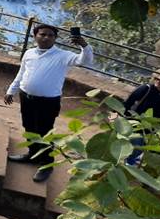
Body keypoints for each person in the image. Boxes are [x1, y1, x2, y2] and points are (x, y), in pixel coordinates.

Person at [5, 25, 94, 183]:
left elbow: (85, 61)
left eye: (50, 35)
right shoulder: (29, 53)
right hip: (26, 97)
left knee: (45, 132)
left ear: (55, 38)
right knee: (29, 127)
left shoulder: (63, 56)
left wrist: (84, 45)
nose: (46, 37)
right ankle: (32, 155)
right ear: (35, 36)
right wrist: (11, 90)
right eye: (43, 34)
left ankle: (46, 164)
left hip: (48, 101)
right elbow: (21, 73)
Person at [123, 69, 160, 166]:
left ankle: (134, 160)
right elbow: (128, 103)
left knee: (149, 145)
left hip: (157, 125)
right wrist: (122, 117)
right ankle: (130, 162)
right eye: (156, 79)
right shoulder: (146, 89)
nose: (157, 82)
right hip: (138, 121)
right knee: (137, 142)